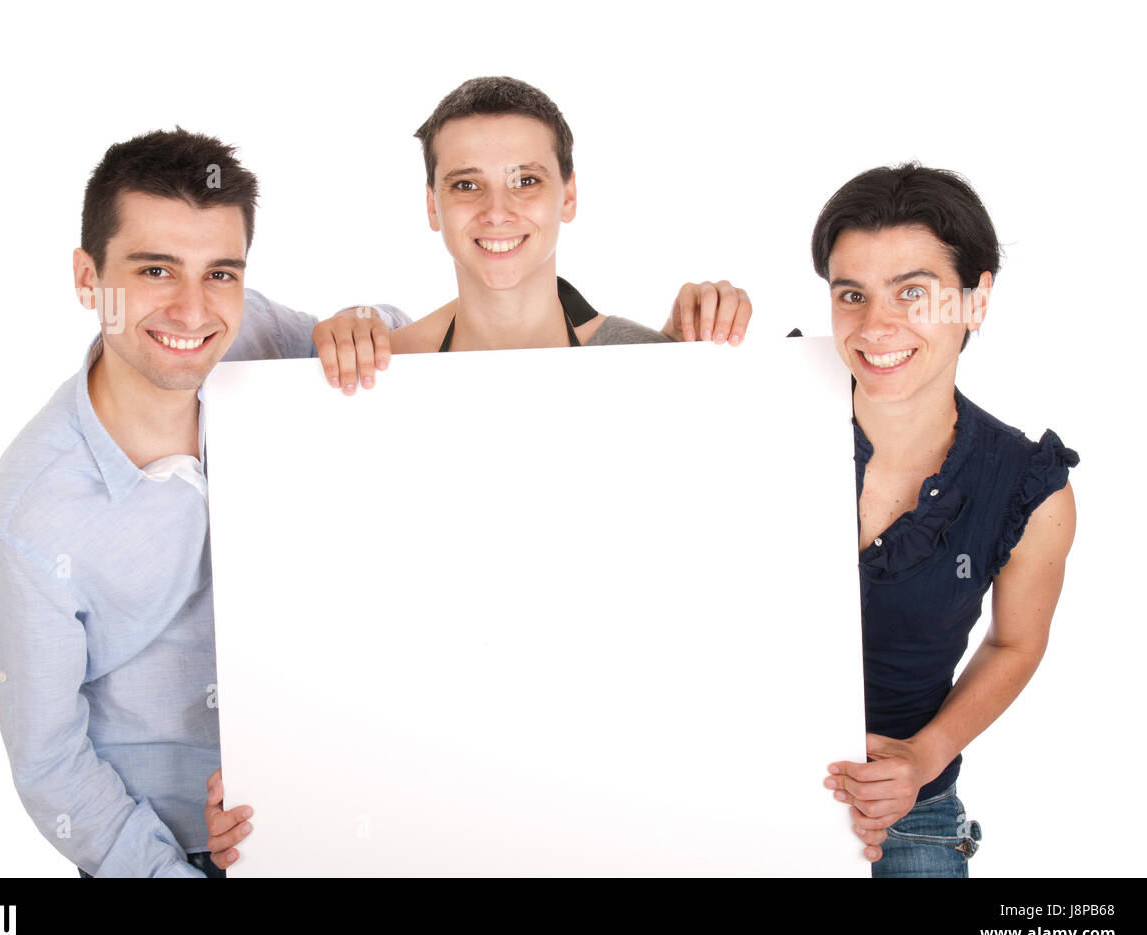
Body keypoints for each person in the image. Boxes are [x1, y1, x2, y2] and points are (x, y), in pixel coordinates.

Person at [203, 76, 754, 870]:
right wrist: (276, 786)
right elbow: (320, 614)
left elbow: (716, 613)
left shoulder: (659, 369)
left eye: (527, 181)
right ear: (432, 205)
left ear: (569, 197)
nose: (498, 212)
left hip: (618, 804)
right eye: (466, 185)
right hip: (427, 812)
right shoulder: (364, 382)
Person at [0, 128, 410, 877]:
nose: (191, 310)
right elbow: (51, 767)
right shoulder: (28, 521)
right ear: (87, 278)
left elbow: (395, 349)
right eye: (155, 270)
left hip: (338, 798)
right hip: (176, 851)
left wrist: (364, 318)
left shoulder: (246, 333)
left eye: (221, 273)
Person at [804, 164, 1079, 876]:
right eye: (851, 295)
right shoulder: (764, 414)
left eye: (913, 293)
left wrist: (924, 756)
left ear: (975, 300)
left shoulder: (1027, 487)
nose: (875, 326)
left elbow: (1016, 644)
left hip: (912, 809)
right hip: (730, 784)